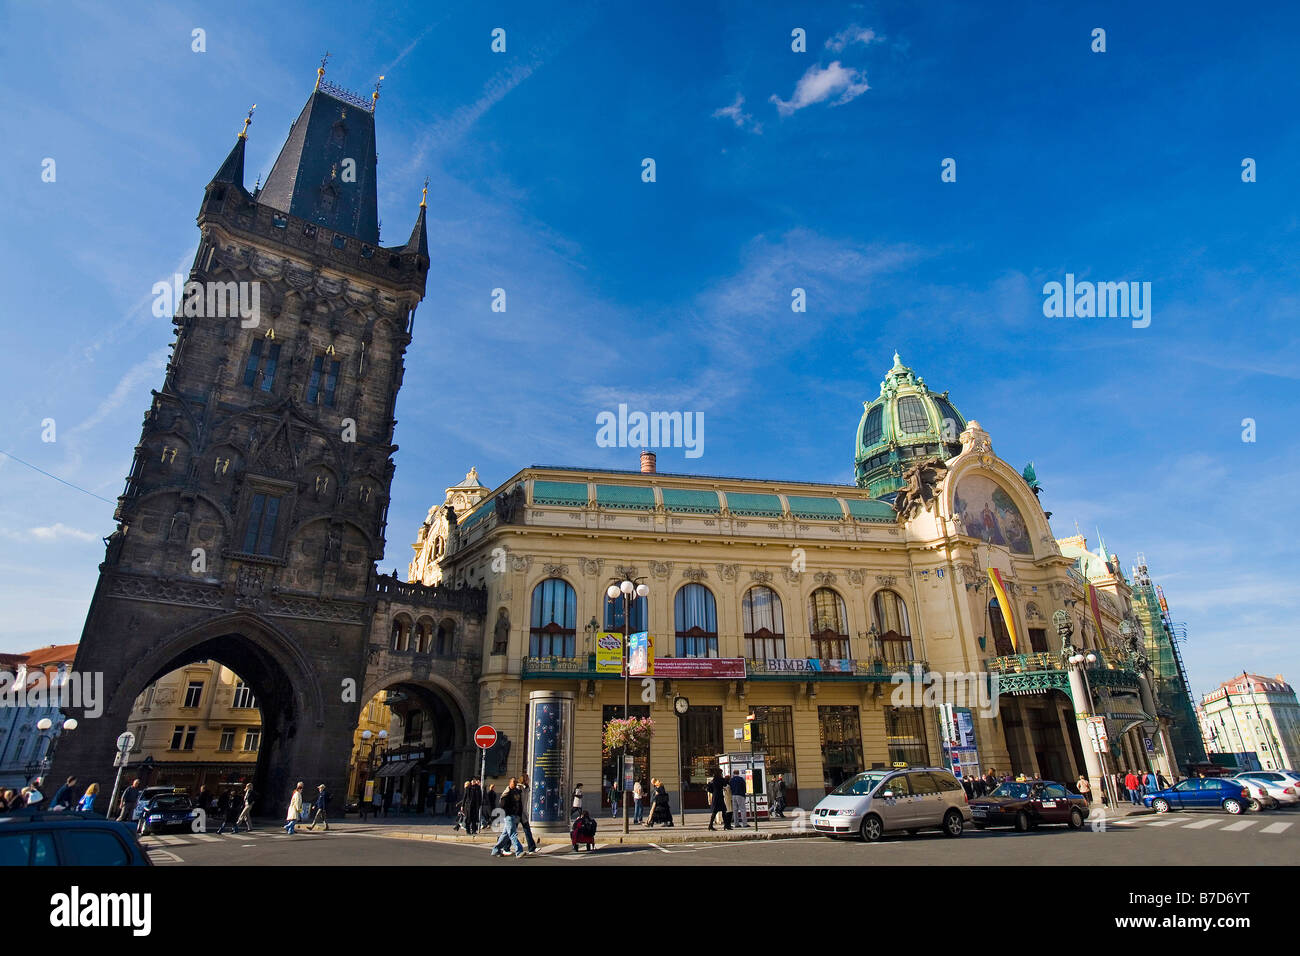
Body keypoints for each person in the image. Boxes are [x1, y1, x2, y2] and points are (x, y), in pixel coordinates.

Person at [490, 777, 526, 858]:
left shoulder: (516, 792)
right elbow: (502, 805)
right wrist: (508, 812)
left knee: (505, 834)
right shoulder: (507, 792)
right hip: (508, 816)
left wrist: (519, 814)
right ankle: (519, 851)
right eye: (513, 782)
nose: (515, 783)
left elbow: (519, 803)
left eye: (516, 782)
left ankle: (496, 850)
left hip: (514, 815)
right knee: (512, 834)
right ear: (510, 783)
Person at [517, 773, 537, 854]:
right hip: (518, 813)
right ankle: (505, 847)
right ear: (524, 779)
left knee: (527, 830)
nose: (529, 780)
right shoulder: (519, 788)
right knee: (510, 832)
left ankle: (532, 848)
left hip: (523, 813)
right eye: (528, 779)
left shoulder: (526, 788)